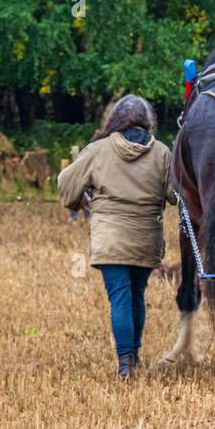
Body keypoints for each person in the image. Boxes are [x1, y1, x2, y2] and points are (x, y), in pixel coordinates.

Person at [58, 95, 176, 380]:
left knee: (120, 297)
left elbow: (66, 183)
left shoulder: (98, 150)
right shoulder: (161, 152)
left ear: (116, 119)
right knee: (137, 295)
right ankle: (133, 354)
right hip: (146, 237)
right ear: (148, 121)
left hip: (110, 238)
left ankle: (126, 363)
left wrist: (80, 203)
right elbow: (175, 195)